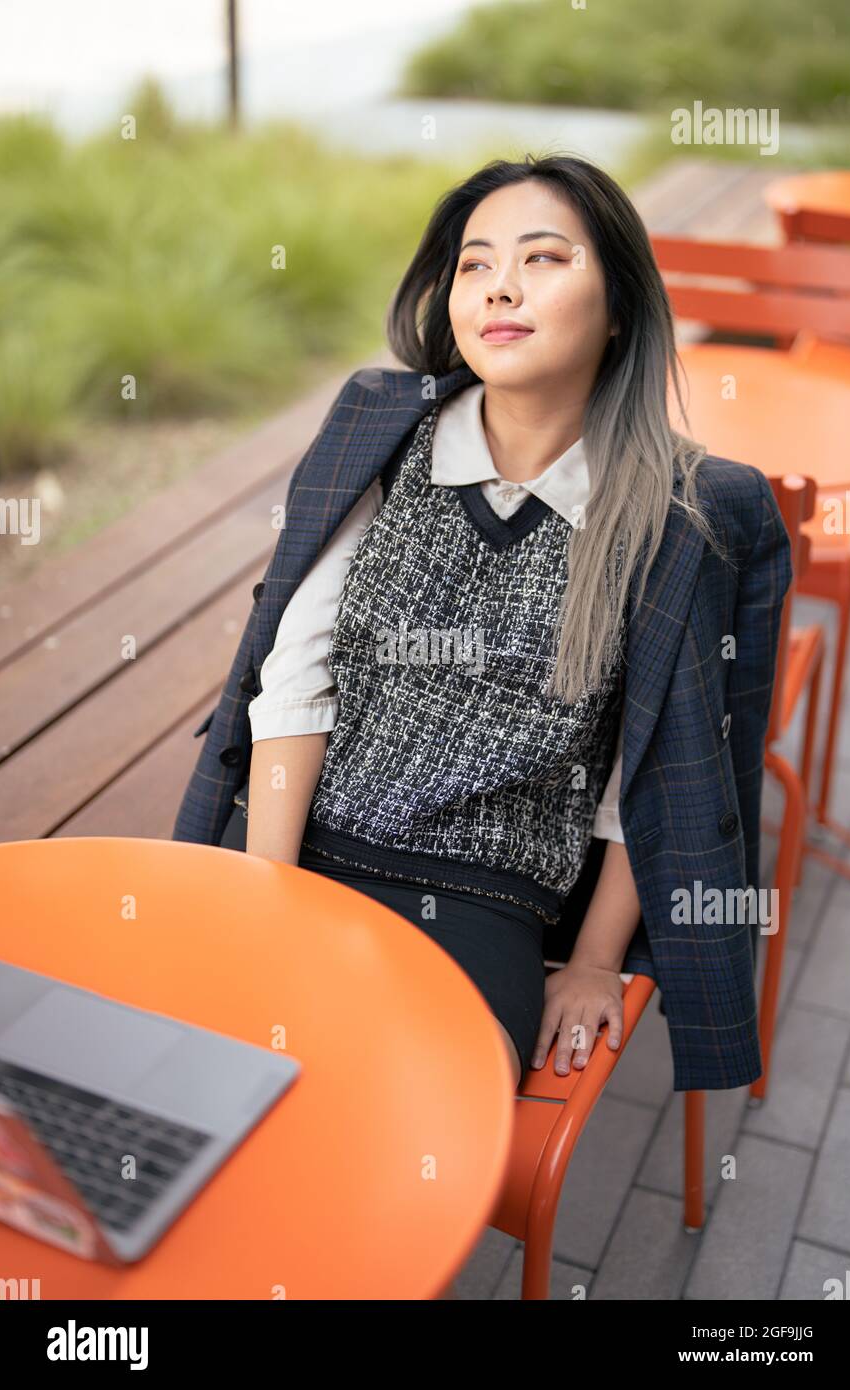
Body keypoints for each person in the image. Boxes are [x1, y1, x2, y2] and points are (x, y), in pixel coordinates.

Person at [174, 153, 793, 1107]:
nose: (500, 283)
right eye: (475, 263)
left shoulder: (680, 511)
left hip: (482, 900)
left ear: (620, 304)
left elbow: (658, 766)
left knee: (398, 1117)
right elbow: (294, 677)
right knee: (199, 1079)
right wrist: (267, 901)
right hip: (294, 845)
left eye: (544, 259)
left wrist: (592, 961)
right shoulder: (382, 434)